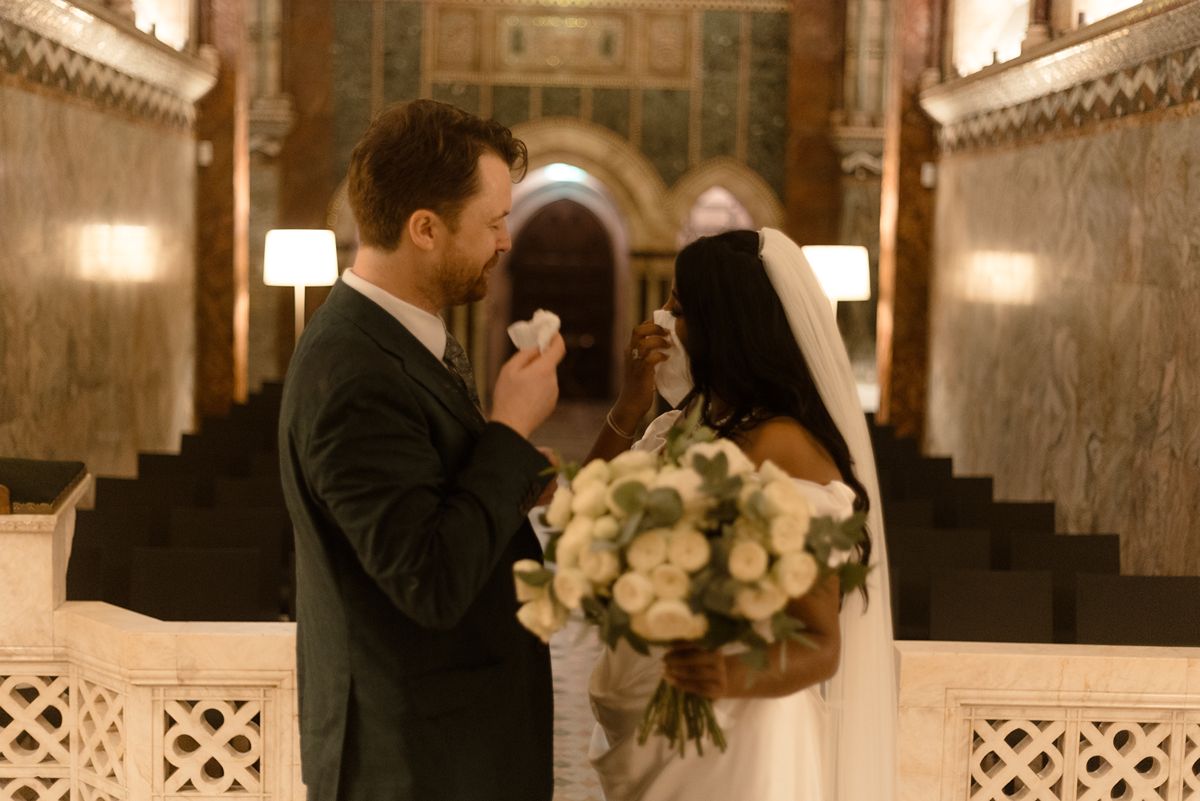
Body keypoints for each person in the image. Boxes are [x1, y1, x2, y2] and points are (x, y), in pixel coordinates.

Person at [278, 99, 565, 801]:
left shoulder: (397, 338)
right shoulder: (353, 372)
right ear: (426, 229)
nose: (506, 241)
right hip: (412, 762)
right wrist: (507, 429)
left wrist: (517, 474)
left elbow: (430, 496)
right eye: (494, 222)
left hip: (449, 746)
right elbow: (427, 579)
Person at [585, 229, 897, 800]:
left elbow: (821, 643)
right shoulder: (684, 424)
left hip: (738, 736)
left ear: (723, 327)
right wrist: (632, 401)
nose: (660, 323)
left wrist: (726, 676)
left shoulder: (784, 445)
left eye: (678, 310)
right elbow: (587, 506)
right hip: (655, 712)